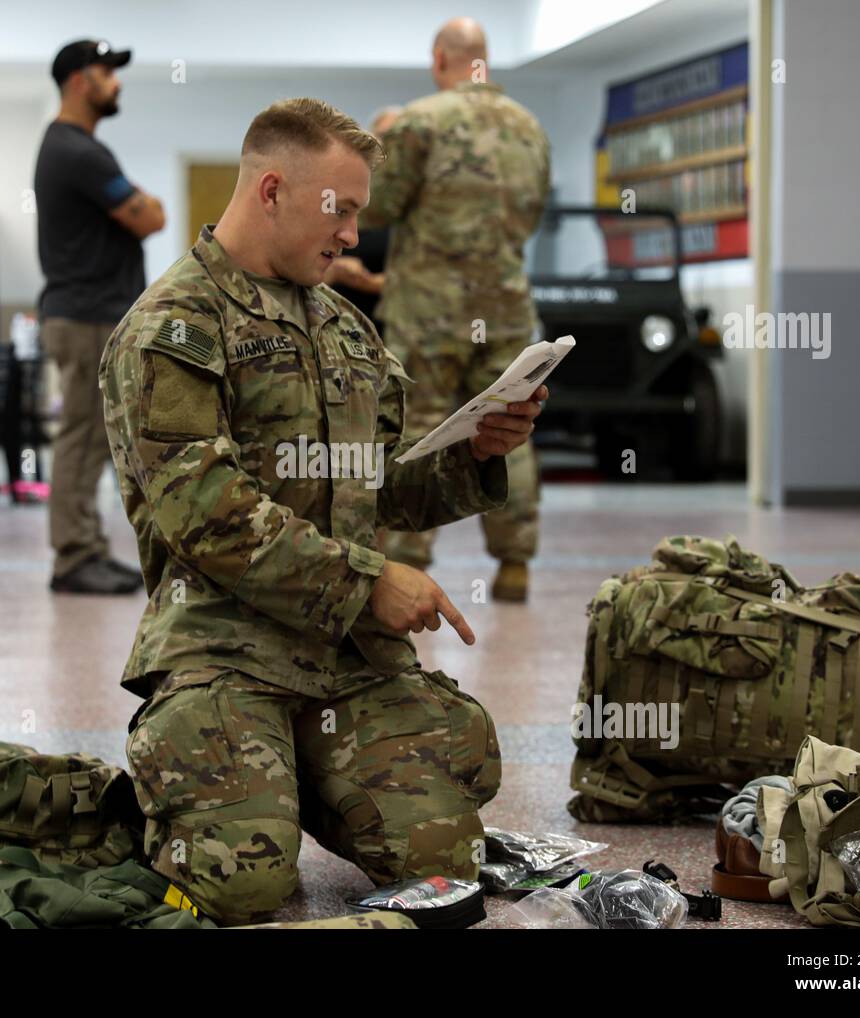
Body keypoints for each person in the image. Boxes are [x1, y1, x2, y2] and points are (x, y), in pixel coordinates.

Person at [99, 98, 548, 925]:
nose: (353, 235)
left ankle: (288, 771)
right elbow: (206, 516)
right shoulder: (174, 326)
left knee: (446, 856)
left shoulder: (344, 327)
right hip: (224, 648)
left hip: (345, 657)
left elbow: (383, 486)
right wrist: (368, 583)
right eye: (341, 210)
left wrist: (477, 452)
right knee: (240, 885)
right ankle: (237, 781)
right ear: (272, 189)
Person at [359, 17, 552, 602]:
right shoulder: (530, 128)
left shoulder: (420, 121)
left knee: (415, 425)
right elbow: (532, 215)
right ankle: (515, 564)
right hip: (504, 306)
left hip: (430, 308)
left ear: (440, 59)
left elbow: (377, 206)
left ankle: (408, 562)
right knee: (511, 426)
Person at [34, 39, 165, 594]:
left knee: (92, 439)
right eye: (106, 72)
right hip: (88, 316)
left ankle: (87, 547)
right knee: (84, 436)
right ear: (77, 81)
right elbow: (150, 218)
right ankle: (73, 556)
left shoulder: (74, 149)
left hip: (89, 313)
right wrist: (145, 203)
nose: (116, 82)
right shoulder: (79, 153)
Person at [323, 106, 400, 331]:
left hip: (391, 328)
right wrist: (333, 269)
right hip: (335, 321)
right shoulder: (337, 193)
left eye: (399, 139)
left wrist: (370, 282)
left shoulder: (419, 208)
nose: (391, 147)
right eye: (385, 137)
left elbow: (433, 279)